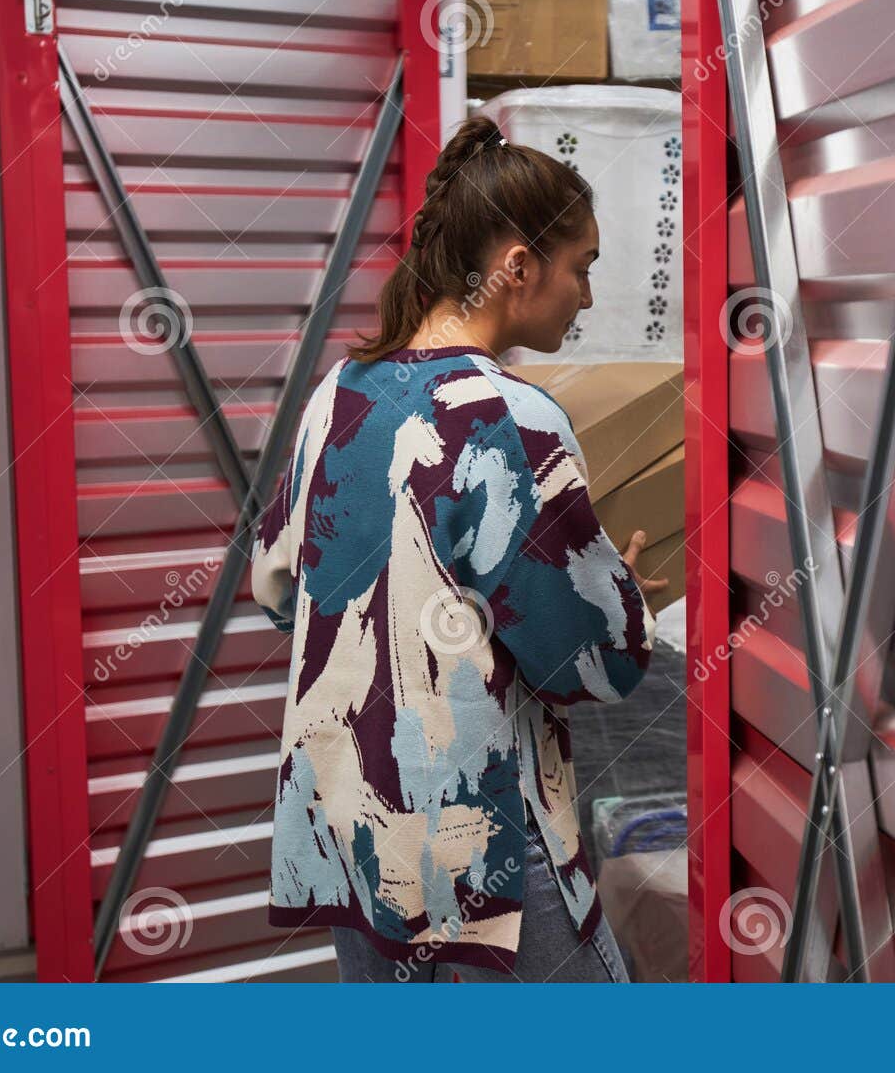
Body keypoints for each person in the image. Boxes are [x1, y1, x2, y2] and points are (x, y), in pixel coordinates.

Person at [251, 116, 668, 983]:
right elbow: (589, 663)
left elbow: (279, 590)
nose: (587, 297)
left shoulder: (340, 391)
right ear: (519, 266)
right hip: (481, 845)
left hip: (348, 830)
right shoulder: (512, 416)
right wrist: (622, 594)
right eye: (582, 268)